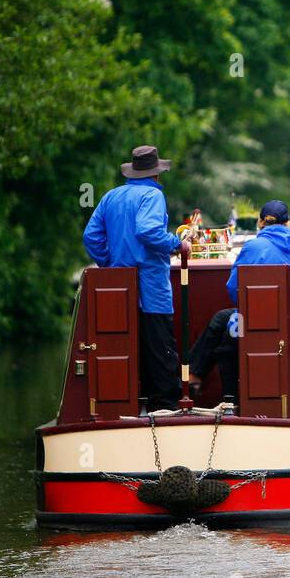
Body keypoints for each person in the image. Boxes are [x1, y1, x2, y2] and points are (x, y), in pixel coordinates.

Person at [187, 200, 290, 400]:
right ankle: (196, 375)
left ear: (260, 223)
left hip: (256, 318)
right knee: (221, 320)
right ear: (288, 224)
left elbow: (233, 289)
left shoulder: (252, 246)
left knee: (228, 334)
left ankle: (221, 393)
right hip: (287, 320)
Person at [82, 145, 181, 412]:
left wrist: (111, 264)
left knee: (120, 343)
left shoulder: (111, 196)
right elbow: (147, 231)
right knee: (160, 346)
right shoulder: (153, 196)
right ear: (157, 175)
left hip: (117, 286)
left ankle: (123, 404)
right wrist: (176, 244)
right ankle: (166, 408)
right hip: (151, 284)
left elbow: (90, 236)